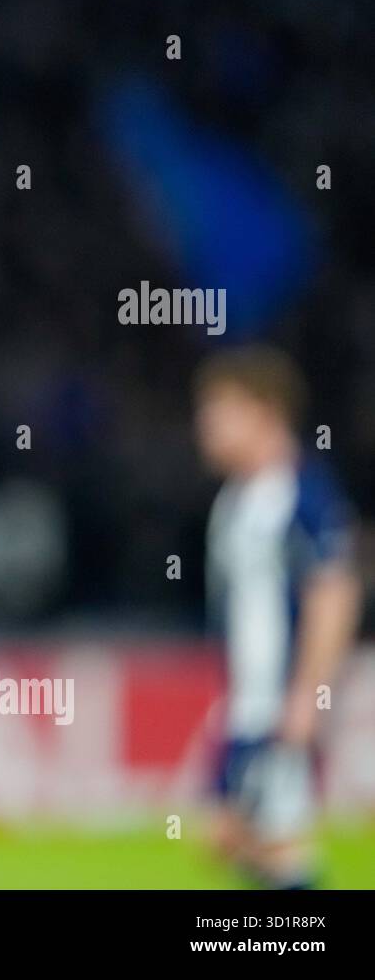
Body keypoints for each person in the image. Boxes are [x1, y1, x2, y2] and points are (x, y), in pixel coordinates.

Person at [193, 346, 362, 889]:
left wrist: (309, 695)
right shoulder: (236, 500)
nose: (206, 427)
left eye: (219, 411)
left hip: (281, 708)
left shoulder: (302, 494)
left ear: (264, 411)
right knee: (236, 841)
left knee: (280, 847)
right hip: (247, 706)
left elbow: (334, 591)